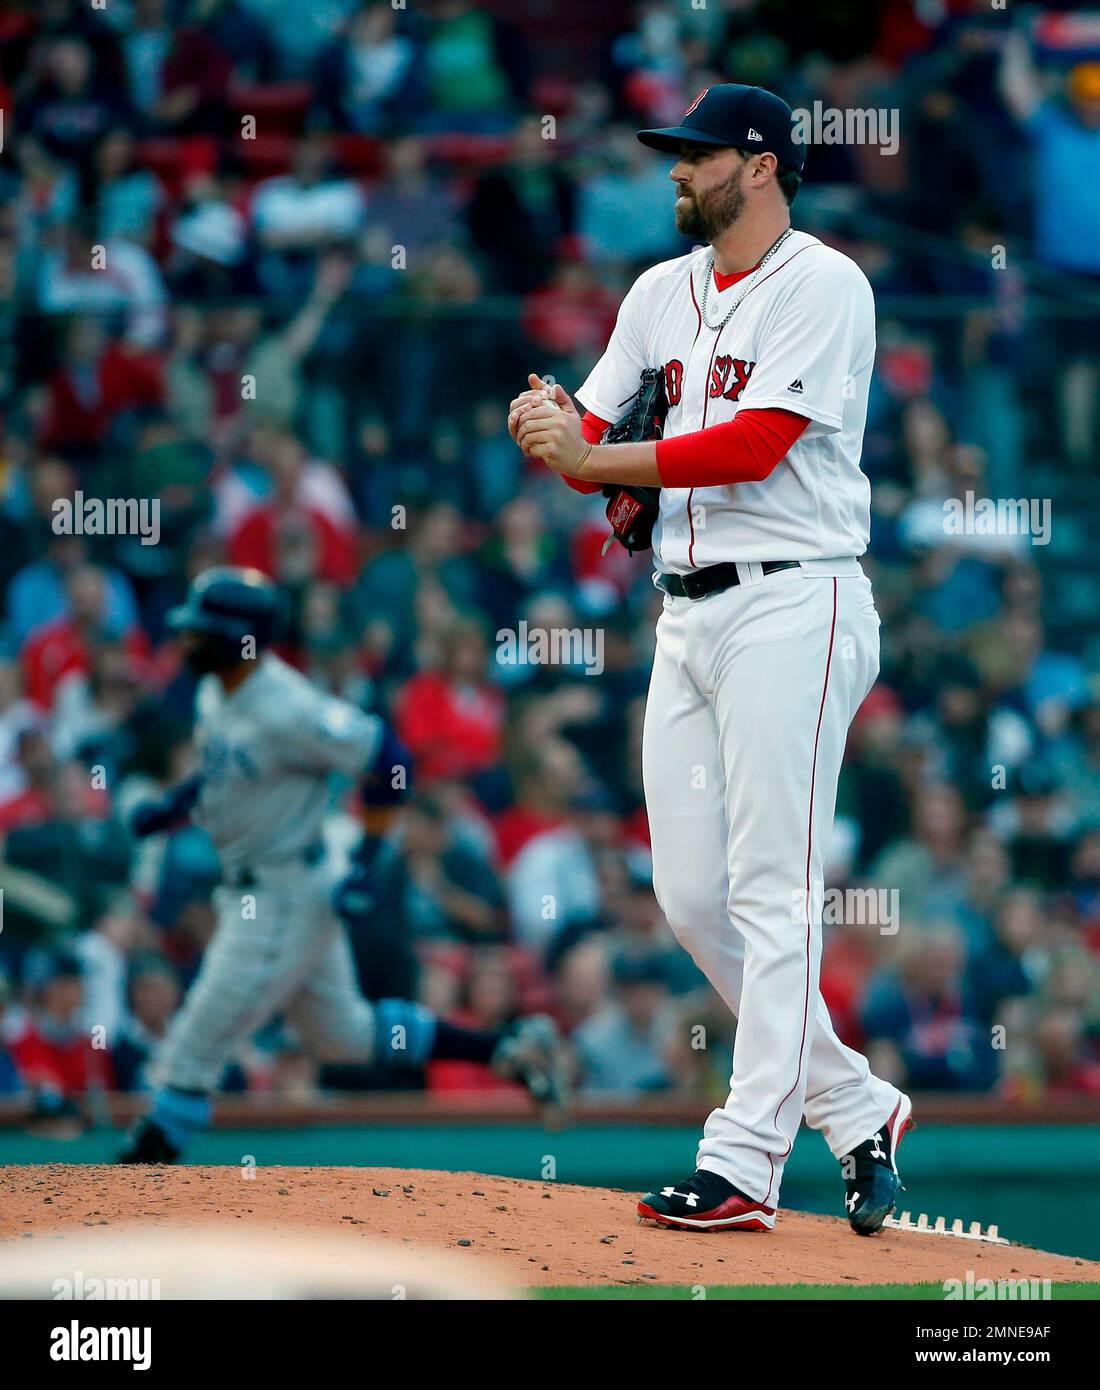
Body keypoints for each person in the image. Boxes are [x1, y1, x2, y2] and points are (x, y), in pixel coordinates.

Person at [508, 85, 910, 1234]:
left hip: (796, 599)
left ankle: (742, 1163)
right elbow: (590, 429)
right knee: (691, 899)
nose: (674, 174)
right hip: (683, 612)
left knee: (771, 893)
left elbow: (750, 445)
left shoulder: (825, 282)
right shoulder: (655, 291)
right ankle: (856, 1106)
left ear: (760, 164)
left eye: (692, 157)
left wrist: (594, 462)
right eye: (673, 155)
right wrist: (546, 430)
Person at [117, 566, 565, 1163]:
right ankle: (506, 1047)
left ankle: (126, 1200)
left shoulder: (289, 705)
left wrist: (369, 858)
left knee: (188, 1053)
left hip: (280, 894)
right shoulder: (215, 687)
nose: (187, 641)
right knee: (344, 1035)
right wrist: (174, 806)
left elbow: (389, 757)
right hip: (269, 884)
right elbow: (223, 766)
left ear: (238, 635)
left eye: (201, 631)